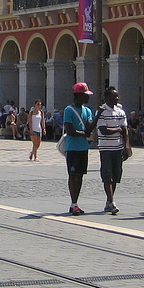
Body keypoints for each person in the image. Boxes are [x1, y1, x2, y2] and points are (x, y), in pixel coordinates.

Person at [62, 82, 97, 215]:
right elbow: (70, 130)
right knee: (73, 175)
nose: (88, 97)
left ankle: (75, 204)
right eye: (85, 95)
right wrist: (84, 133)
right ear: (78, 95)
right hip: (72, 148)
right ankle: (73, 203)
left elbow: (89, 128)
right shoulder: (68, 110)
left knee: (80, 175)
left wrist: (97, 117)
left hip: (83, 147)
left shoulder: (87, 110)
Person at [95, 87, 128, 214]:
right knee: (107, 175)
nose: (117, 98)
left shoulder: (120, 111)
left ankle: (109, 201)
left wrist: (127, 146)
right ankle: (112, 201)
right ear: (107, 98)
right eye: (114, 96)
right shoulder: (102, 111)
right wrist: (118, 130)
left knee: (116, 175)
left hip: (118, 147)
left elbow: (125, 130)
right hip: (105, 148)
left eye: (117, 96)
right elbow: (103, 130)